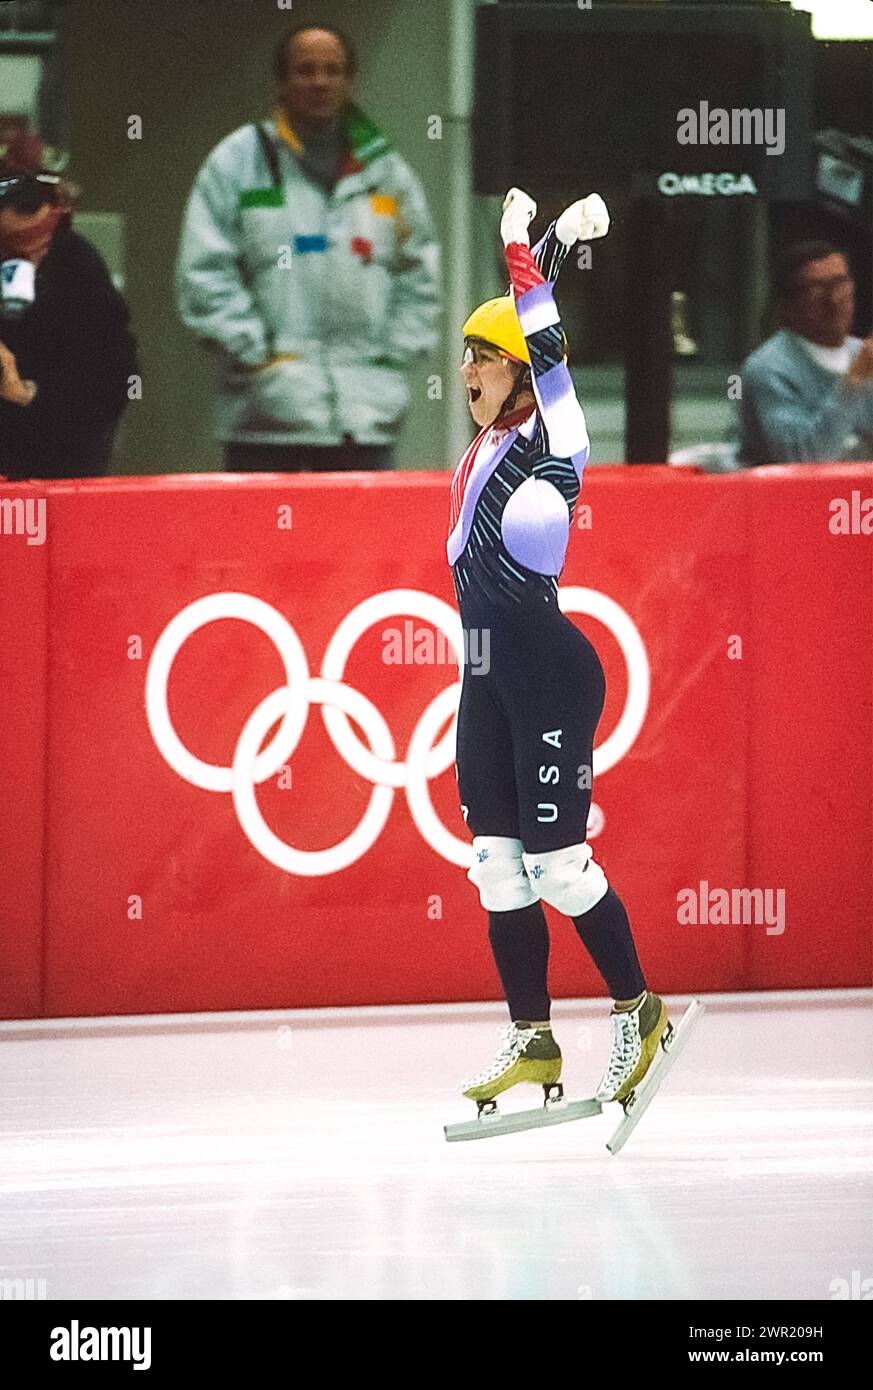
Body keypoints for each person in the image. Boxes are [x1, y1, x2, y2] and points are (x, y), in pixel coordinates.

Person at [449, 187, 670, 1112]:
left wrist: (520, 248)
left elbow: (539, 333)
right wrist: (555, 239)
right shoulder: (486, 444)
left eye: (483, 361)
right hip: (486, 674)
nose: (466, 371)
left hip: (547, 671)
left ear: (524, 375)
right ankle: (533, 1040)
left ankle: (638, 1009)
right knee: (496, 866)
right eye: (461, 355)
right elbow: (523, 324)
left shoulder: (558, 439)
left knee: (559, 867)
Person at [176, 22, 440, 474]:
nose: (320, 81)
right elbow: (203, 272)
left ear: (350, 80)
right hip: (266, 423)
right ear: (280, 81)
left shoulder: (385, 171)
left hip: (366, 422)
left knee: (361, 548)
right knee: (263, 547)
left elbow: (420, 273)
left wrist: (390, 357)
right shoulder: (239, 162)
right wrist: (259, 355)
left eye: (333, 70)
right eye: (305, 70)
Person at [0, 130, 138, 481]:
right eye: (16, 245)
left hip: (61, 465)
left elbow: (113, 378)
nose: (31, 257)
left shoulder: (77, 265)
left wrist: (29, 393)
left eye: (42, 243)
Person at [739, 241, 873, 465]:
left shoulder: (861, 353)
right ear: (789, 304)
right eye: (817, 288)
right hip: (788, 497)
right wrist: (854, 382)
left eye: (840, 283)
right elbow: (803, 459)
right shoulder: (770, 368)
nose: (834, 300)